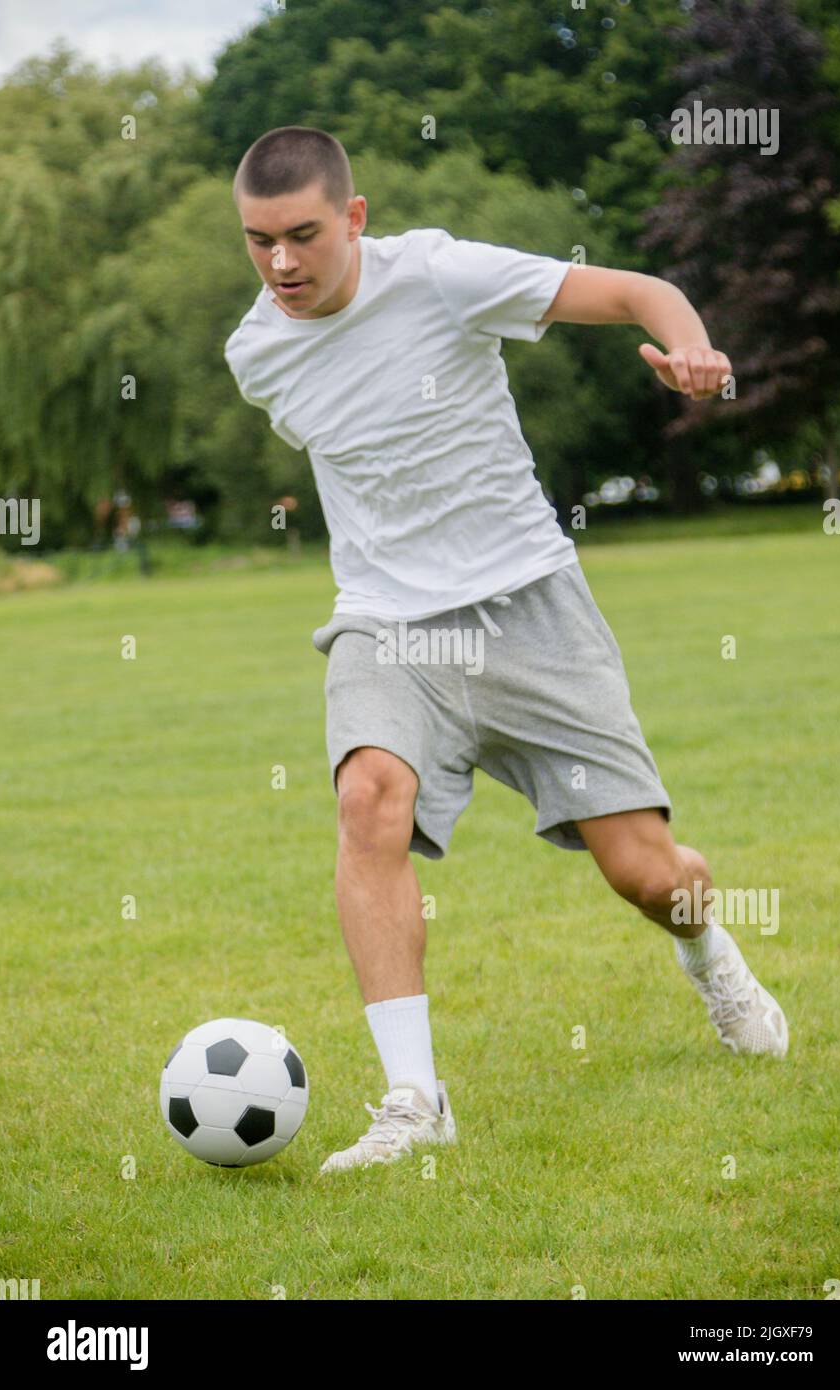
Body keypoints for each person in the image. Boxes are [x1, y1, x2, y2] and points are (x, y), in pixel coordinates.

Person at [223, 126, 788, 1175]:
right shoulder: (258, 354)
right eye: (259, 242)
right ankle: (412, 1098)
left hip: (531, 610)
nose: (282, 265)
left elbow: (635, 290)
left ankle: (707, 952)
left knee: (645, 873)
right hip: (389, 625)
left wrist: (693, 349)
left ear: (353, 217)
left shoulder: (440, 274)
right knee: (368, 798)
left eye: (302, 235)